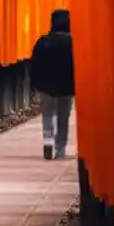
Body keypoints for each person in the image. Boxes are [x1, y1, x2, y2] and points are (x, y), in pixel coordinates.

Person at [29, 8, 74, 160]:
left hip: (46, 87)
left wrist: (36, 84)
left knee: (47, 115)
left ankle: (48, 141)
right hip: (66, 87)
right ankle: (60, 148)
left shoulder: (43, 42)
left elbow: (35, 65)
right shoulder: (73, 43)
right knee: (63, 117)